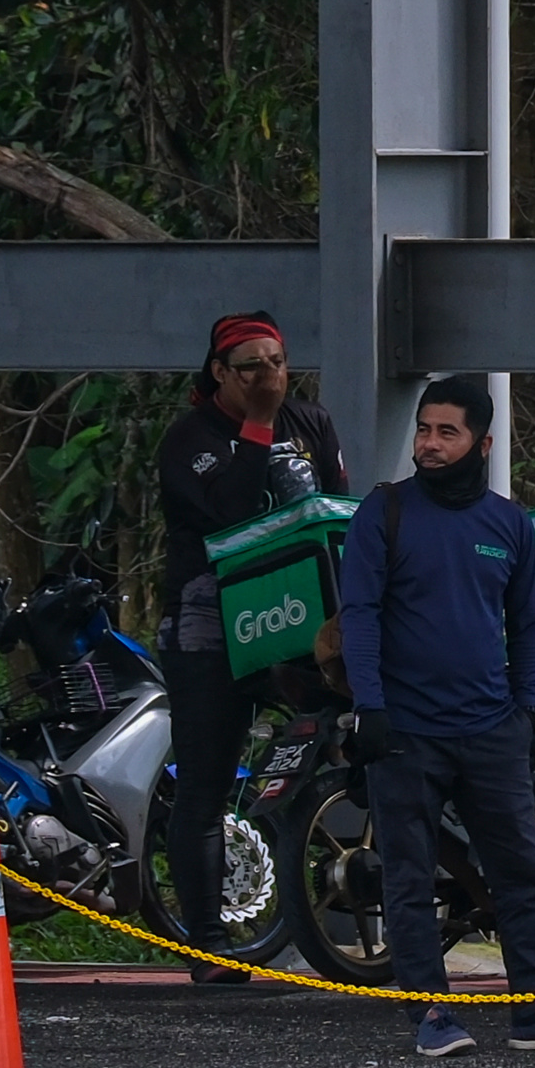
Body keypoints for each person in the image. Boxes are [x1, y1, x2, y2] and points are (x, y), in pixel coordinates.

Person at [337, 375, 535, 1057]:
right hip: (405, 731)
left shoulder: (509, 524)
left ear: (482, 444)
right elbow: (359, 614)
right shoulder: (384, 511)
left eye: (447, 432)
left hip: (492, 728)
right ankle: (431, 1016)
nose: (429, 444)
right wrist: (369, 706)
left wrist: (527, 706)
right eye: (423, 430)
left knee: (521, 871)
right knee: (408, 876)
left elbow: (529, 624)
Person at [157, 311, 347, 986]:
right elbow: (231, 514)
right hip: (211, 619)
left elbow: (333, 509)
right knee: (204, 781)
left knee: (350, 733)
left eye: (278, 363)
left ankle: (335, 886)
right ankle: (208, 943)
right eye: (251, 367)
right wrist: (259, 422)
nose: (269, 376)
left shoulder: (312, 422)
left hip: (298, 609)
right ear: (219, 373)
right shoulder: (190, 438)